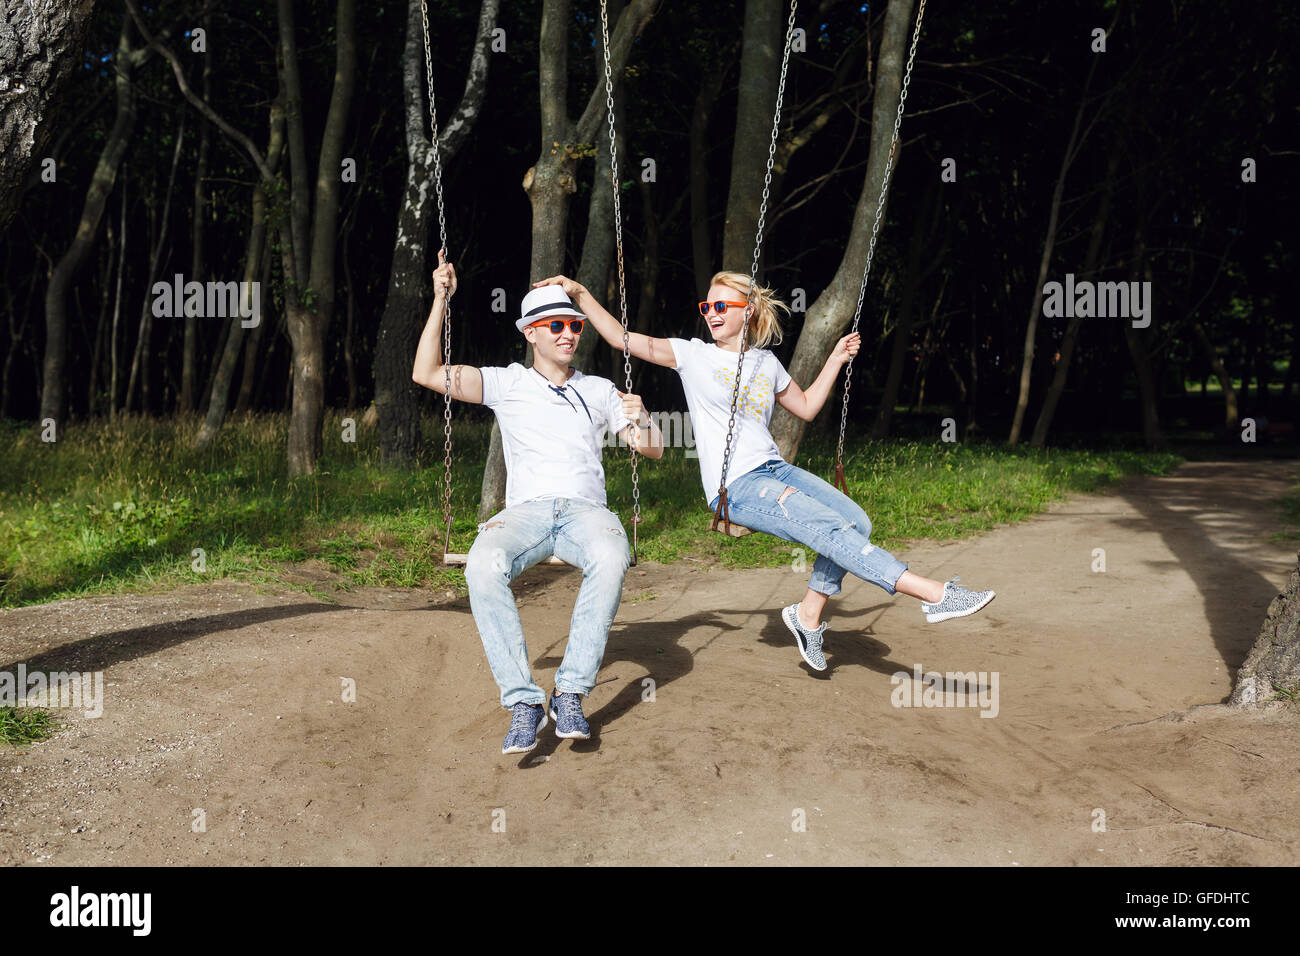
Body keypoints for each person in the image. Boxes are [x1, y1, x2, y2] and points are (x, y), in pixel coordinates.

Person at [532, 269, 995, 673]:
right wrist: (580, 295)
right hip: (735, 486)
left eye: (721, 305)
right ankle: (933, 595)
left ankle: (807, 615)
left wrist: (834, 359)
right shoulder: (692, 354)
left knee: (856, 522)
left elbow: (808, 408)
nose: (711, 314)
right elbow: (621, 338)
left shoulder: (765, 362)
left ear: (747, 310)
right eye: (706, 306)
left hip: (775, 469)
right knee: (828, 528)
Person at [413, 251, 665, 753]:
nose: (569, 333)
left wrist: (641, 416)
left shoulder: (598, 389)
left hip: (585, 512)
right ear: (530, 332)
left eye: (573, 324)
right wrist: (441, 298)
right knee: (482, 565)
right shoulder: (506, 383)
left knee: (613, 556)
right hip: (525, 514)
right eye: (556, 325)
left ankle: (570, 692)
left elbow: (652, 448)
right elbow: (426, 372)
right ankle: (524, 702)